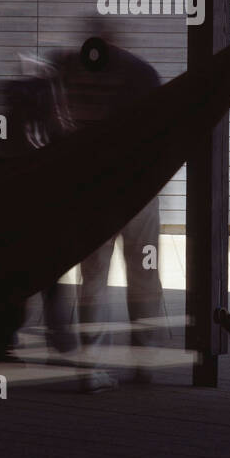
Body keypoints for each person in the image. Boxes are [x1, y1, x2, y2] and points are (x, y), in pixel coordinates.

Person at [58, 20, 164, 392]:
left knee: (93, 280)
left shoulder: (70, 73)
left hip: (93, 192)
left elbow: (63, 132)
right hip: (138, 191)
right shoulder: (141, 74)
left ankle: (91, 369)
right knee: (144, 277)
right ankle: (145, 362)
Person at [0, 63, 78, 364]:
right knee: (45, 278)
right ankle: (57, 340)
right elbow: (60, 137)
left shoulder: (9, 121)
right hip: (38, 210)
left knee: (17, 281)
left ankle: (3, 343)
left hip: (11, 211)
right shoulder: (42, 117)